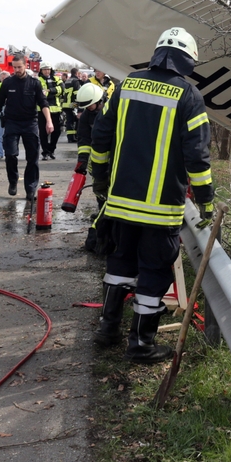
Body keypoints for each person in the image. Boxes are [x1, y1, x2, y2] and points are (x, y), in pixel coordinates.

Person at [89, 27, 214, 364]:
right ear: (186, 61)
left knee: (119, 263)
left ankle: (107, 327)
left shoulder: (125, 85)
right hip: (160, 209)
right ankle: (141, 345)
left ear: (157, 53)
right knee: (155, 271)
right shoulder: (188, 95)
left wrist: (99, 178)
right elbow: (197, 156)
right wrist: (206, 198)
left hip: (120, 201)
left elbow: (101, 136)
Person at [0, 57, 52, 199]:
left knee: (33, 157)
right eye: (14, 67)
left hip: (30, 123)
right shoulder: (7, 83)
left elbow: (43, 103)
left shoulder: (34, 83)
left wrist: (49, 121)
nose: (16, 70)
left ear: (25, 66)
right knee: (10, 154)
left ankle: (30, 188)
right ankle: (13, 181)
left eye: (19, 67)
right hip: (12, 123)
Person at [73, 82, 108, 252]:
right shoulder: (87, 116)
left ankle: (99, 235)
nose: (87, 109)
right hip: (96, 163)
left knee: (111, 199)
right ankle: (101, 213)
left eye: (90, 105)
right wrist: (82, 160)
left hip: (113, 162)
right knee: (100, 193)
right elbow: (84, 139)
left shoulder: (111, 111)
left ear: (99, 101)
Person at [37, 66, 63, 159]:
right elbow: (38, 92)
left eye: (48, 69)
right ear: (41, 71)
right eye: (44, 69)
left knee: (56, 132)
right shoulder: (38, 80)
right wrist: (54, 91)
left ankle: (51, 150)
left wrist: (49, 91)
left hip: (55, 109)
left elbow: (61, 89)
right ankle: (45, 152)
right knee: (43, 132)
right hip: (42, 110)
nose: (47, 71)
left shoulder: (57, 79)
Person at [63, 67, 82, 143]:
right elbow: (76, 94)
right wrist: (78, 105)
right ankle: (73, 137)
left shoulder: (67, 81)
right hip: (72, 104)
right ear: (77, 73)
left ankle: (70, 137)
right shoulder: (76, 81)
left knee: (69, 120)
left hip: (66, 104)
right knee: (76, 120)